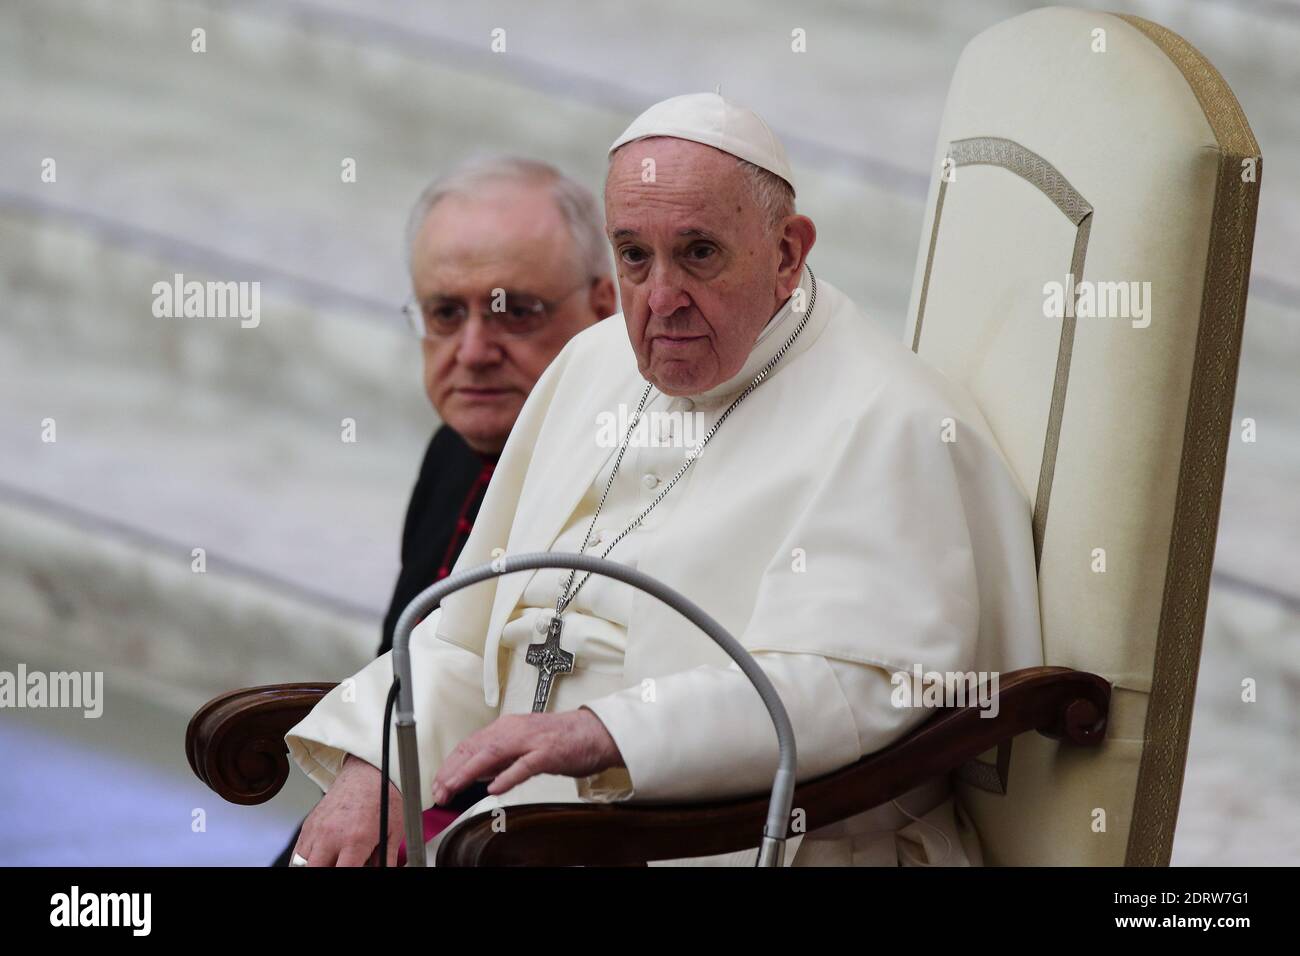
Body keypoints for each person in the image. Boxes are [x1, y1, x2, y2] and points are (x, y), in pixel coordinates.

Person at [284, 93, 1043, 867]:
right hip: (527, 834)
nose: (661, 300)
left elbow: (849, 686)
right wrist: (374, 764)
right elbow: (465, 634)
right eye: (634, 256)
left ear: (788, 252)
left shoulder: (891, 419)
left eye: (699, 253)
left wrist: (604, 733)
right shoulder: (592, 363)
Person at [270, 156, 616, 865]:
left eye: (514, 311)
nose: (474, 351)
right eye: (444, 313)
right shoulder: (452, 452)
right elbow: (401, 675)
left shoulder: (623, 482)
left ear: (605, 308)